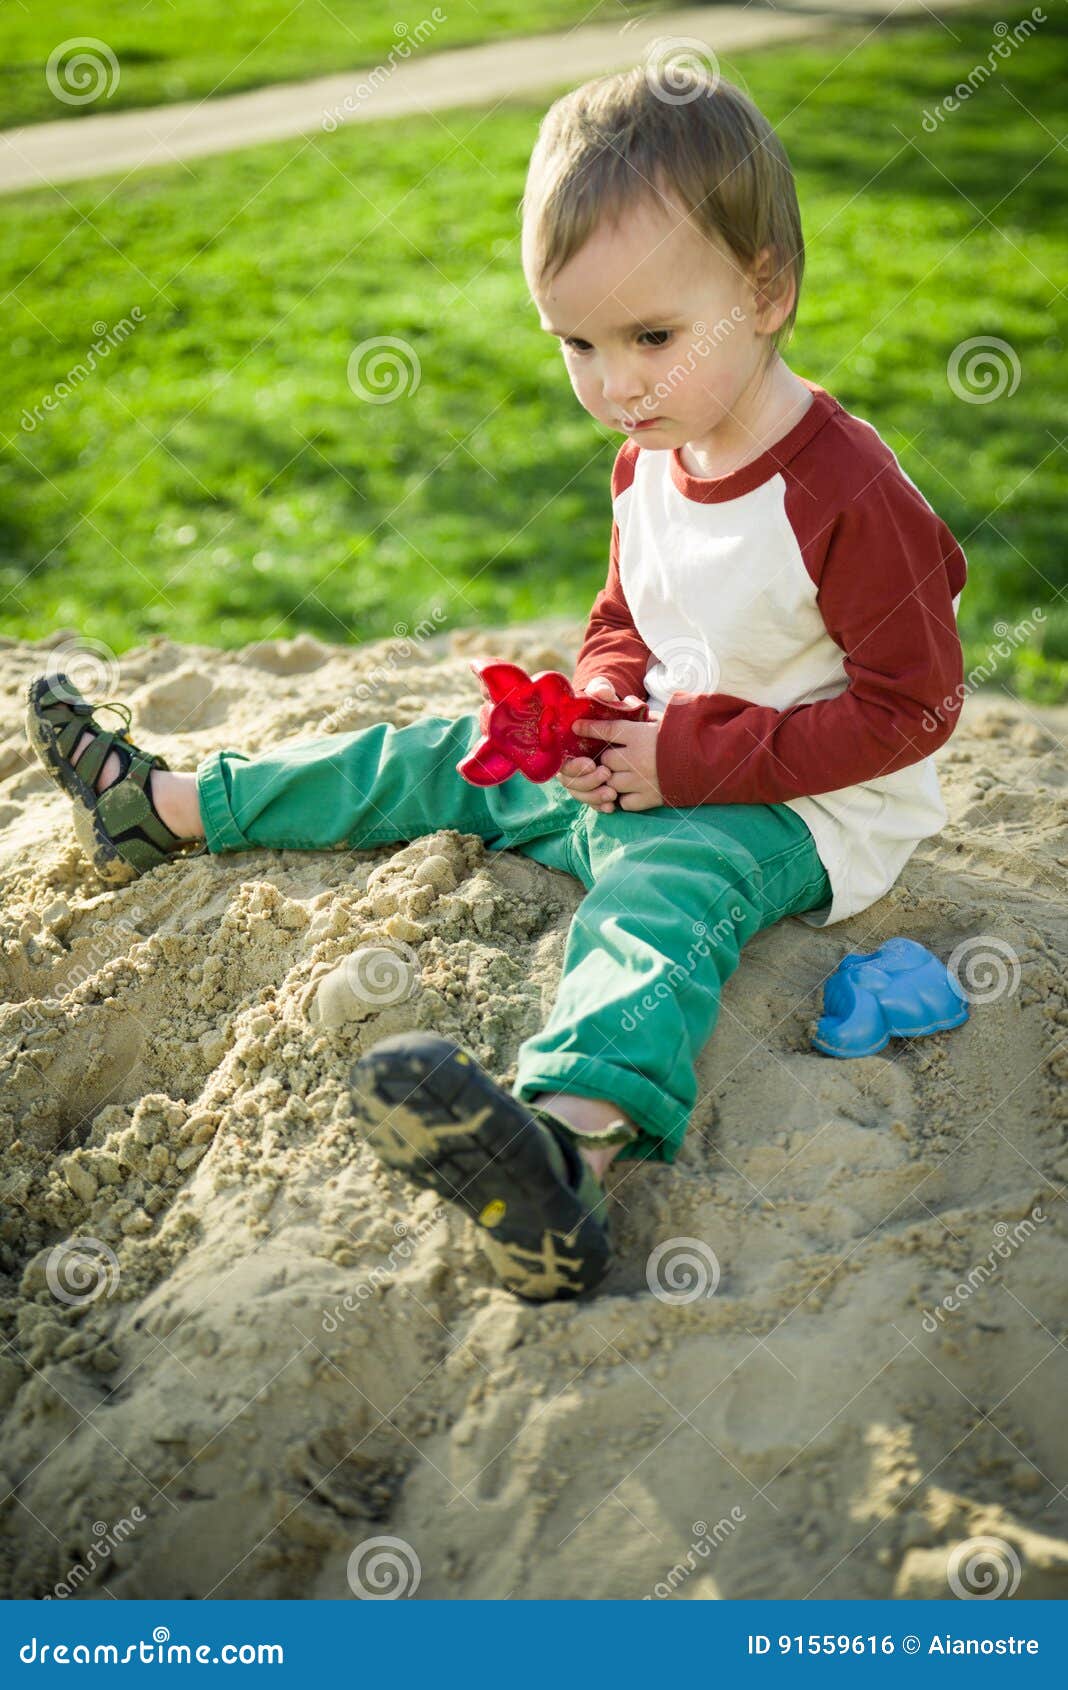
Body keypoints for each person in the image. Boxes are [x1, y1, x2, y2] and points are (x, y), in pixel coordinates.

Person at [25, 63, 967, 1304]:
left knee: (657, 902)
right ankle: (179, 804)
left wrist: (685, 761)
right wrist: (606, 698)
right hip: (651, 761)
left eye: (650, 339)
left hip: (805, 808)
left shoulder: (841, 493)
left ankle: (563, 1152)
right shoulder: (654, 457)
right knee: (440, 754)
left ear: (766, 291)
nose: (613, 382)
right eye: (575, 342)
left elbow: (915, 711)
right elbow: (627, 609)